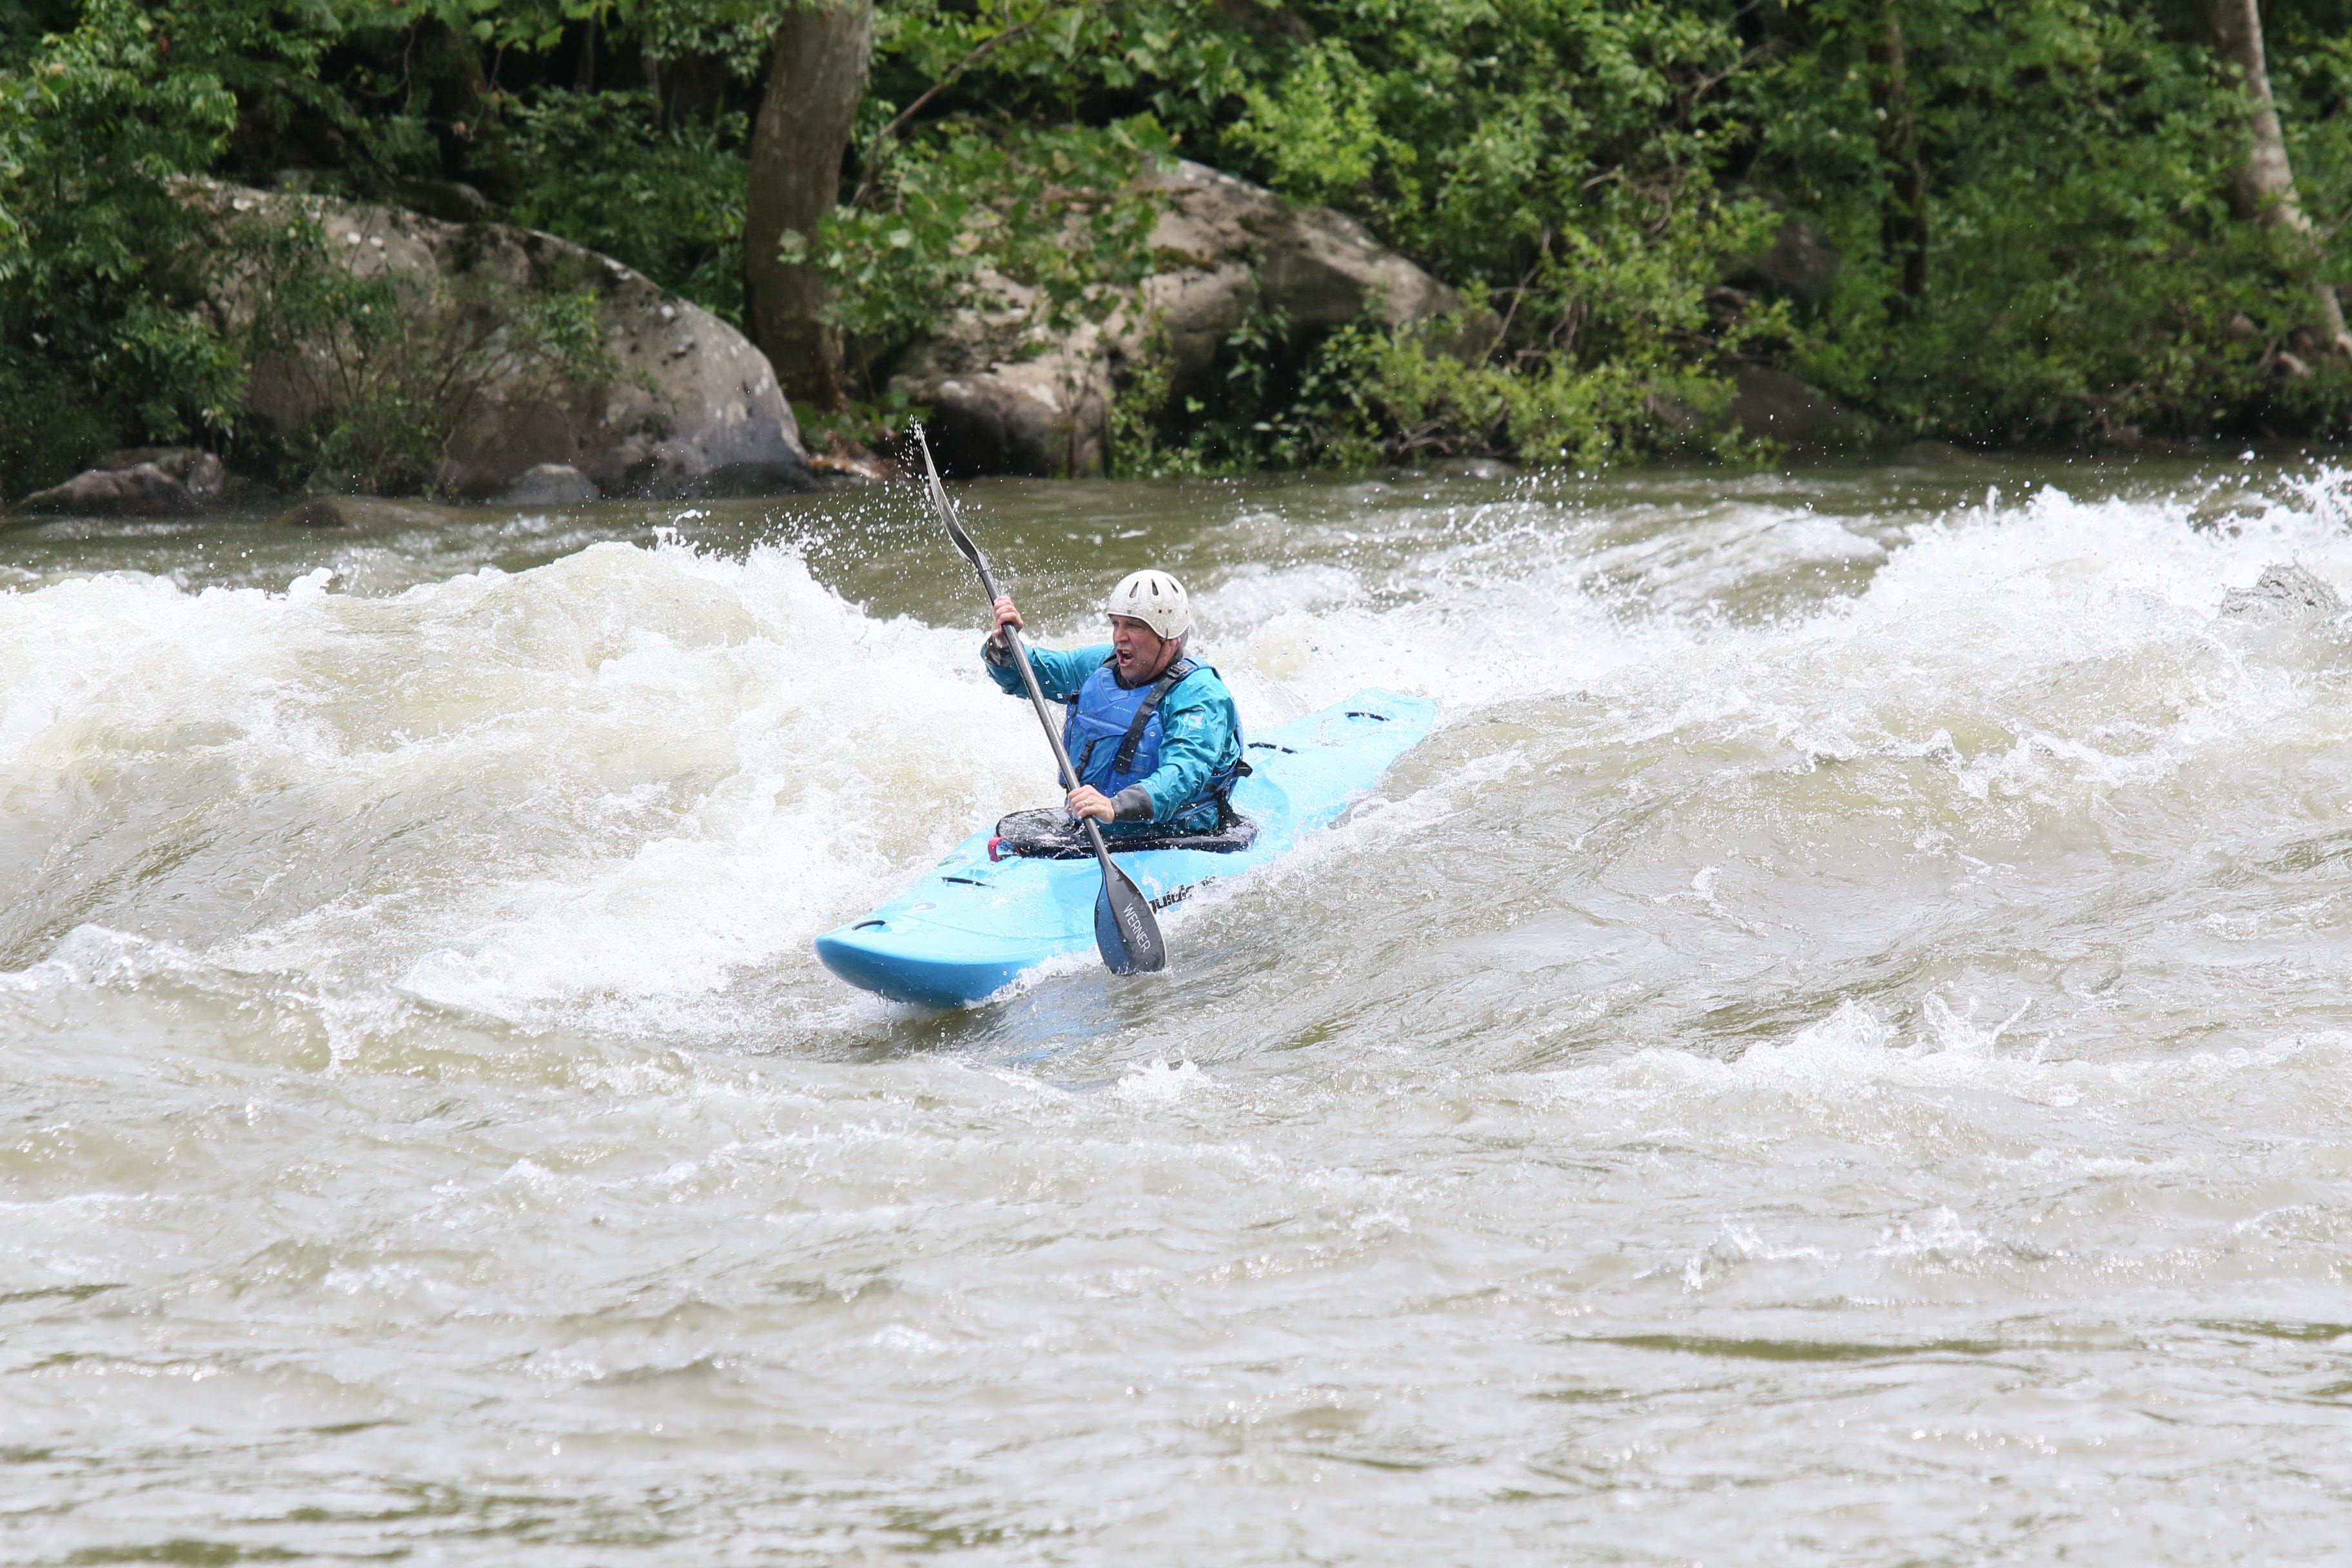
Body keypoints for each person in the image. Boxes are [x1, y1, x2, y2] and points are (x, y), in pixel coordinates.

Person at [985, 569, 1245, 836]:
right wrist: (1005, 645)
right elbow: (1028, 674)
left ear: (1168, 637)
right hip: (1092, 827)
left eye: (1134, 625)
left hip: (1177, 836)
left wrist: (1114, 806)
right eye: (1116, 624)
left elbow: (1184, 773)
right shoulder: (1103, 665)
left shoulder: (1200, 694)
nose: (1119, 636)